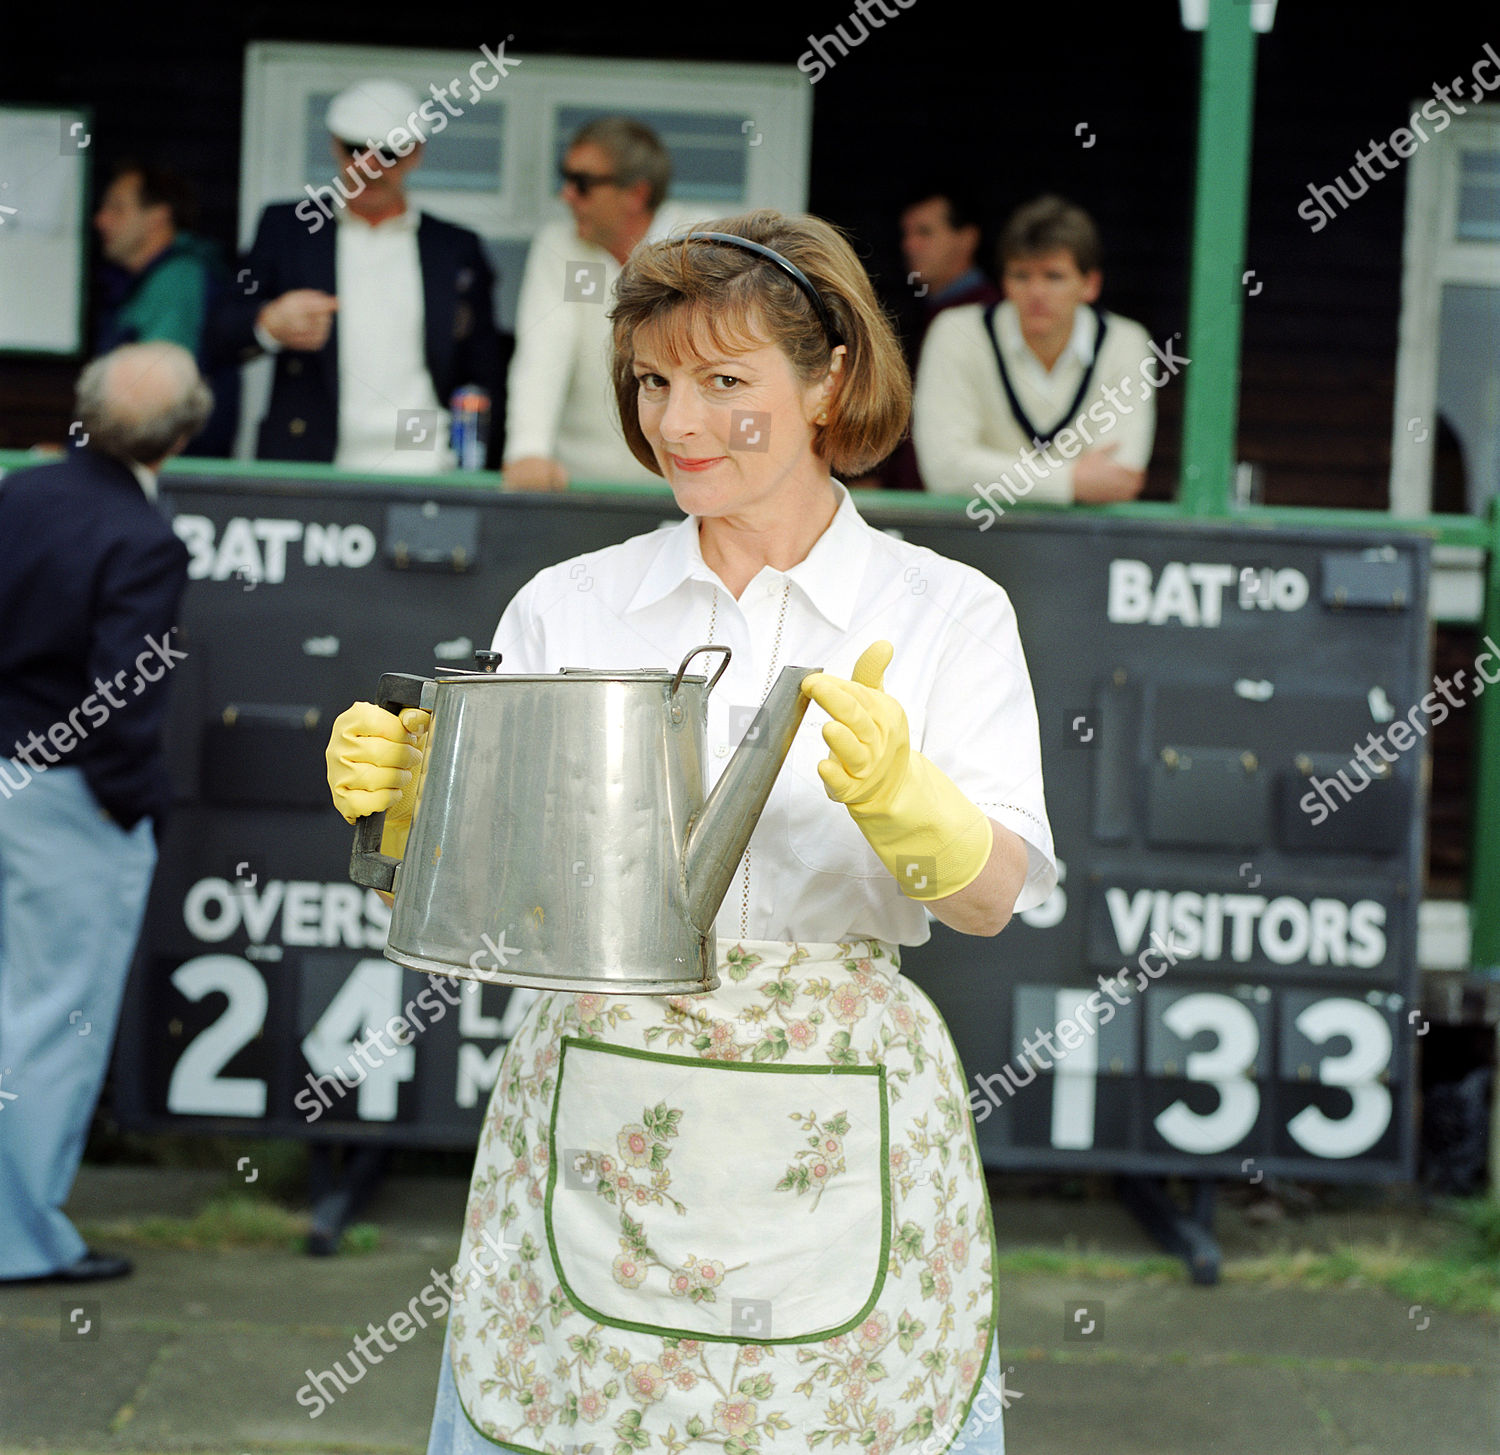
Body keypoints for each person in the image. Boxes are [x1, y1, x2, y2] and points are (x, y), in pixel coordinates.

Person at [325, 210, 1055, 1454]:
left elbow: (991, 901)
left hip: (841, 1123)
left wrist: (909, 805)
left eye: (725, 381)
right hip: (601, 1116)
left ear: (830, 381)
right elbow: (483, 924)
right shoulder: (573, 604)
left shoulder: (948, 611)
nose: (676, 421)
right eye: (655, 381)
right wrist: (416, 819)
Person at [0, 342, 208, 1284]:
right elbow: (125, 701)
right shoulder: (143, 537)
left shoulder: (21, 493)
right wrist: (131, 808)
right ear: (183, 433)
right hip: (70, 797)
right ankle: (20, 1240)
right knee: (51, 1021)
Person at [210, 79, 505, 472]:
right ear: (334, 145)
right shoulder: (289, 229)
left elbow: (486, 369)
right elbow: (218, 335)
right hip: (311, 462)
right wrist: (268, 322)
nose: (368, 166)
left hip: (425, 463)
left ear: (416, 154)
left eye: (388, 153)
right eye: (354, 149)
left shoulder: (455, 248)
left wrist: (488, 464)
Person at [502, 116, 706, 491]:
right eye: (563, 178)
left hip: (687, 480)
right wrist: (528, 450)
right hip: (578, 485)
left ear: (636, 195)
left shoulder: (704, 244)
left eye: (582, 184)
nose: (566, 194)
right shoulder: (558, 245)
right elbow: (542, 354)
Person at [913, 194, 1154, 505]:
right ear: (1004, 281)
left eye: (1054, 276)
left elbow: (1119, 476)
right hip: (977, 539)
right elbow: (944, 470)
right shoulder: (956, 331)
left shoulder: (1125, 341)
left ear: (1090, 284)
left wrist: (988, 473)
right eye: (1021, 275)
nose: (1036, 292)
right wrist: (1072, 481)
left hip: (1085, 547)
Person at [93, 160, 239, 455]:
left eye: (118, 209)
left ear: (157, 218)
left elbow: (149, 398)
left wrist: (86, 461)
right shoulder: (151, 280)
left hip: (161, 470)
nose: (101, 220)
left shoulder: (178, 279)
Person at [881, 187, 1002, 490]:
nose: (910, 244)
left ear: (967, 238)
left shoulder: (990, 320)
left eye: (925, 232)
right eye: (906, 233)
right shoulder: (927, 311)